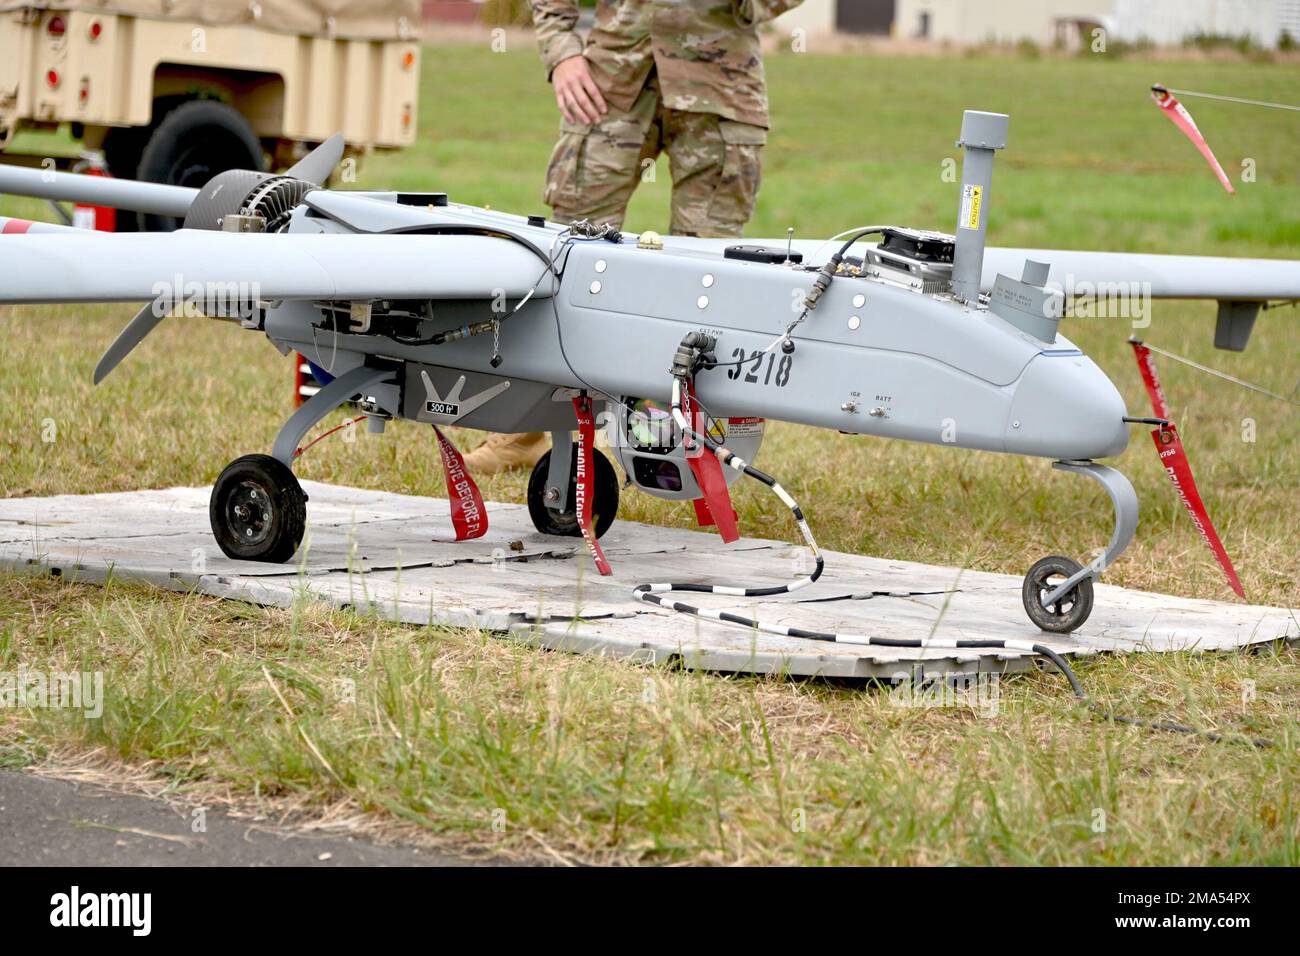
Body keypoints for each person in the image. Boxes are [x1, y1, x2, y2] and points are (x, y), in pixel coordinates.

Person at [464, 0, 802, 475]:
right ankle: (524, 431)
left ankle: (683, 441)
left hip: (720, 89)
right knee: (565, 263)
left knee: (704, 280)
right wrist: (562, 53)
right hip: (610, 85)